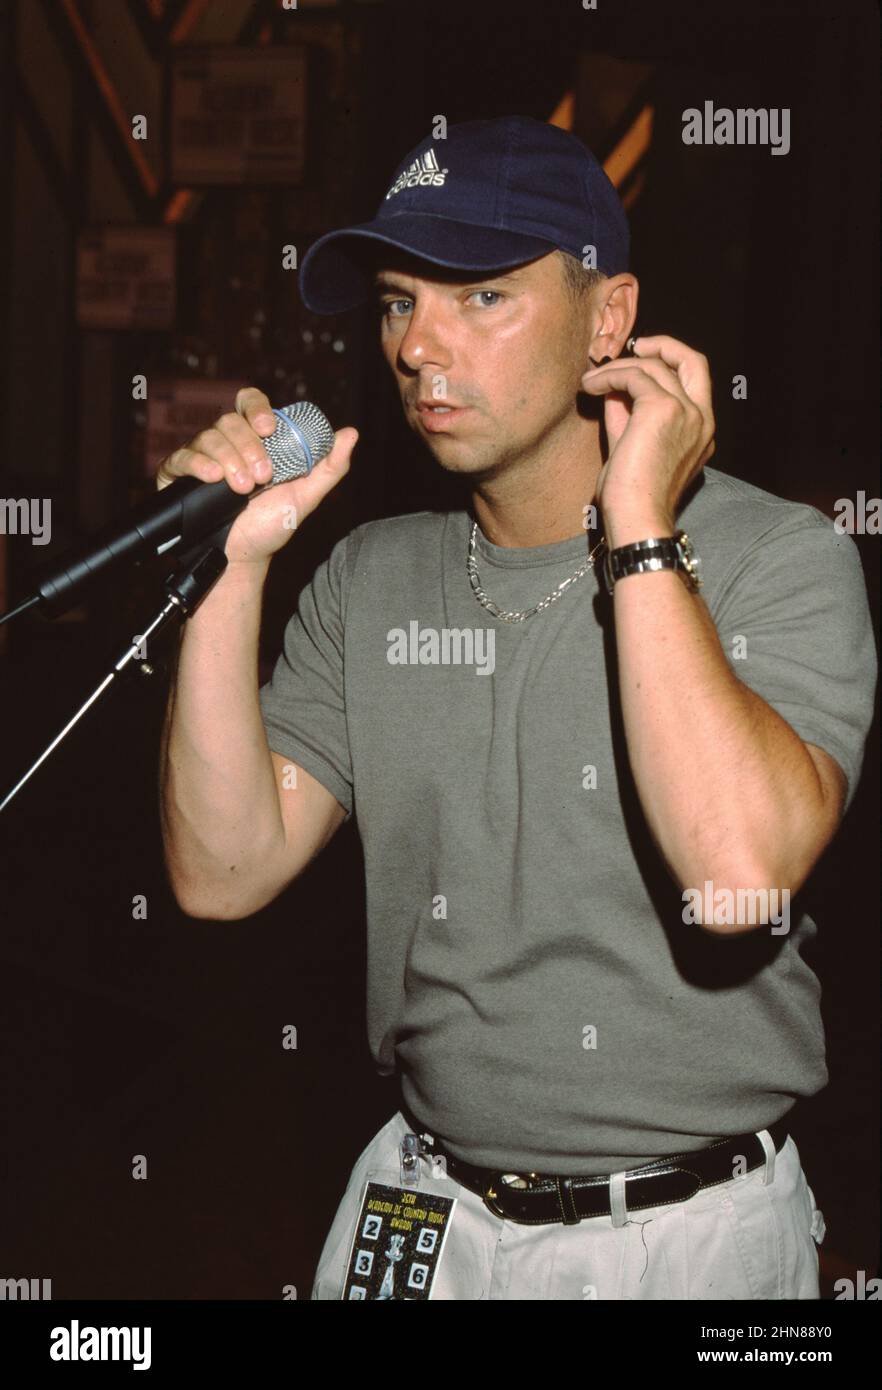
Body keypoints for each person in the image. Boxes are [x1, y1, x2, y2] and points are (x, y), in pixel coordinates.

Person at [157, 116, 877, 1300]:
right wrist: (231, 576)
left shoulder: (777, 558)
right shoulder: (368, 573)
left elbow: (734, 866)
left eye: (480, 297)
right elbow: (222, 870)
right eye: (397, 302)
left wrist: (641, 525)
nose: (419, 348)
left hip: (681, 1236)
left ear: (610, 318)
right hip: (422, 1205)